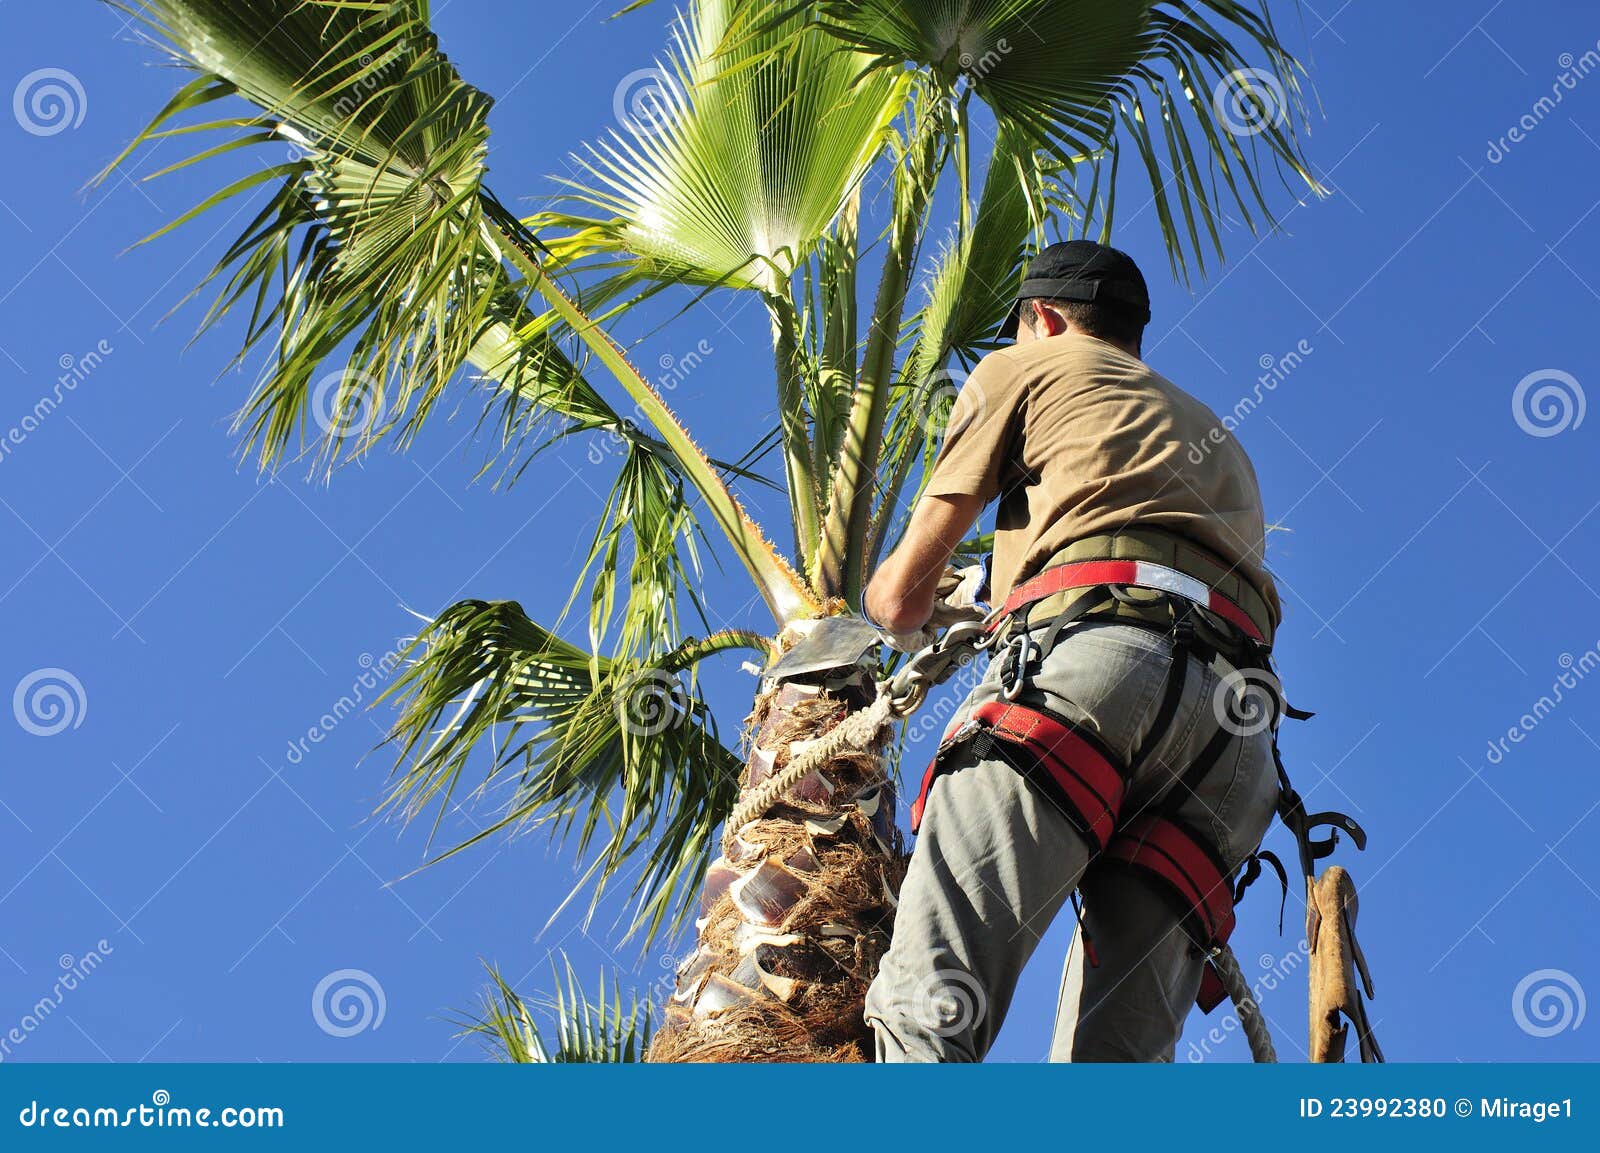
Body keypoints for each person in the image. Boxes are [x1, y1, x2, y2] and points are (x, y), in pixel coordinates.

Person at [861, 240, 1284, 1061]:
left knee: (928, 1016)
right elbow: (1141, 550)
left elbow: (895, 598)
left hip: (1088, 678)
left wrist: (905, 608)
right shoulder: (1212, 437)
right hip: (1232, 739)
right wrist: (991, 585)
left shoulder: (1024, 367)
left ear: (1044, 318)